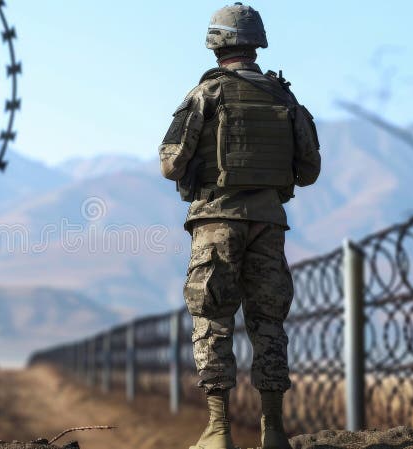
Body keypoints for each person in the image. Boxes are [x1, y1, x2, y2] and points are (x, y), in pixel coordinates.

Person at [157, 3, 321, 449]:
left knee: (213, 319)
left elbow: (172, 164)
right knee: (269, 322)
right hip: (268, 223)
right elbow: (309, 170)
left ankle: (218, 430)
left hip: (216, 222)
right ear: (256, 42)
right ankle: (274, 431)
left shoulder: (205, 95)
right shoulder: (284, 97)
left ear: (216, 43)